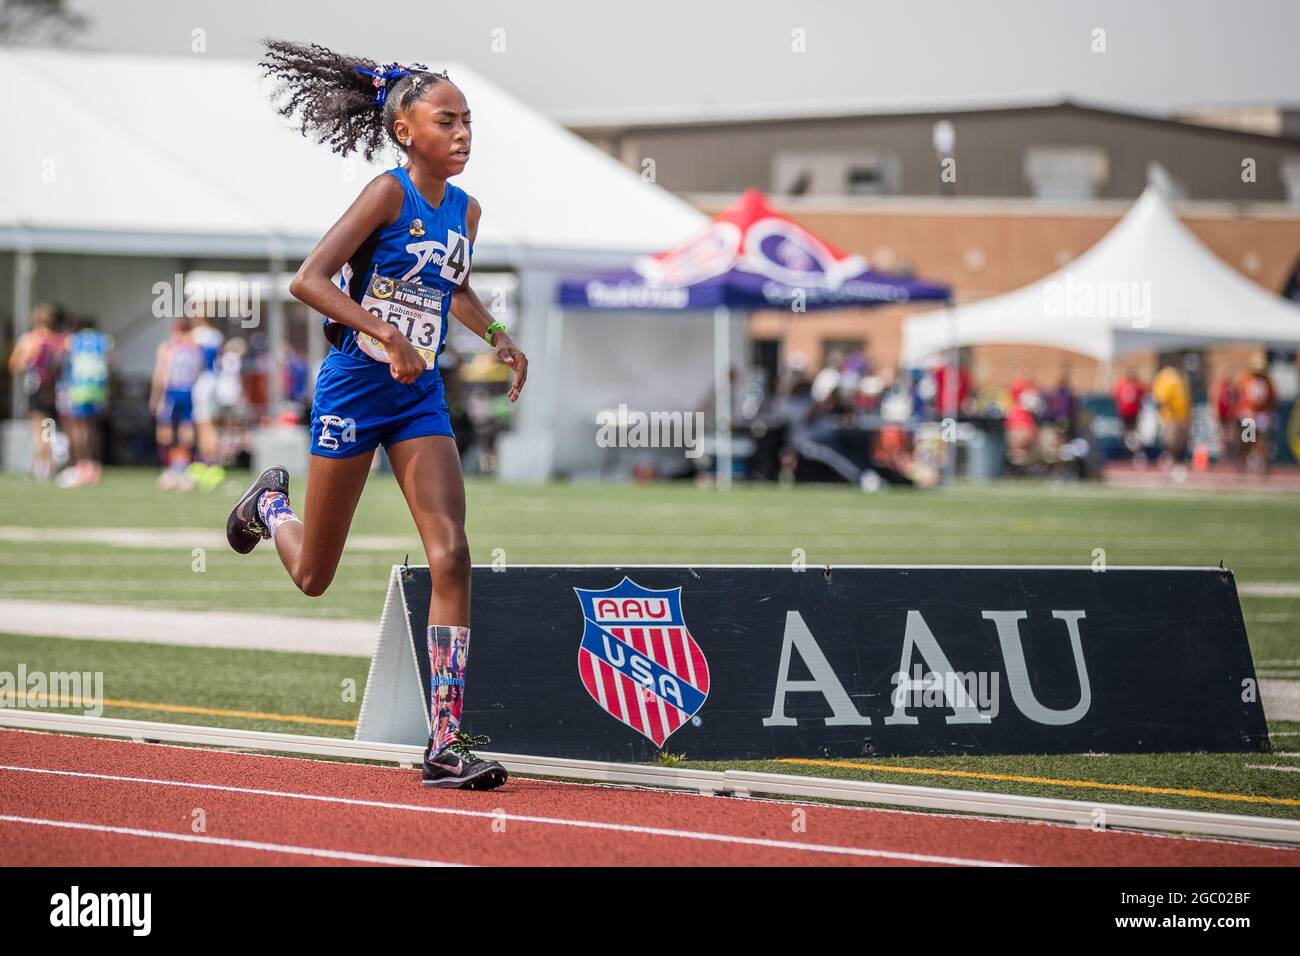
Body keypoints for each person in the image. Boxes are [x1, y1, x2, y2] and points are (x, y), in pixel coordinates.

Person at [228, 40, 527, 790]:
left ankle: (445, 744)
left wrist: (497, 335)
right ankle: (269, 503)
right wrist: (384, 331)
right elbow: (309, 279)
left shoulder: (468, 209)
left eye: (469, 122)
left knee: (452, 553)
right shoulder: (386, 195)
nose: (462, 135)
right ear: (406, 131)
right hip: (357, 387)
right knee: (314, 575)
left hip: (418, 395)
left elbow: (449, 287)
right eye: (446, 120)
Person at [8, 303, 65, 482]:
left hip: (36, 387)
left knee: (39, 428)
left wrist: (27, 362)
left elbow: (13, 366)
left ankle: (42, 466)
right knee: (50, 426)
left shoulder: (29, 339)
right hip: (55, 389)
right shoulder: (59, 340)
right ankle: (47, 464)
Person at [57, 316, 114, 488]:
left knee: (77, 428)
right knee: (93, 428)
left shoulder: (72, 340)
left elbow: (61, 361)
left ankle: (81, 466)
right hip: (97, 389)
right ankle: (94, 466)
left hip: (78, 388)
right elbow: (111, 363)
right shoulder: (104, 340)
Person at [150, 318, 203, 491]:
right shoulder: (195, 347)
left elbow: (160, 374)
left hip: (172, 391)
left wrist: (155, 397)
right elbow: (199, 371)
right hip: (189, 391)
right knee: (186, 430)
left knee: (165, 430)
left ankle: (171, 469)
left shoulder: (168, 347)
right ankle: (183, 468)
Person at [188, 314, 227, 492]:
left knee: (204, 424)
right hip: (214, 380)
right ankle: (211, 462)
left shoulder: (196, 335)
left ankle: (208, 464)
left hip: (202, 381)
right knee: (210, 423)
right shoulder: (216, 335)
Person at [1236, 358, 1276, 473]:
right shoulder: (1247, 379)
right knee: (1247, 440)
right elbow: (1242, 396)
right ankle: (1242, 462)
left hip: (1262, 415)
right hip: (1249, 414)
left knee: (1263, 440)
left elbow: (1271, 398)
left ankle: (1264, 463)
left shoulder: (1268, 381)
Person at [1151, 364, 1191, 471]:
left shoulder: (1179, 380)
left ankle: (1176, 462)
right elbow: (1161, 399)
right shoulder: (1169, 379)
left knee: (1180, 442)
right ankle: (1170, 460)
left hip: (1180, 416)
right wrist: (1163, 414)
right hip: (1171, 417)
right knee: (1172, 441)